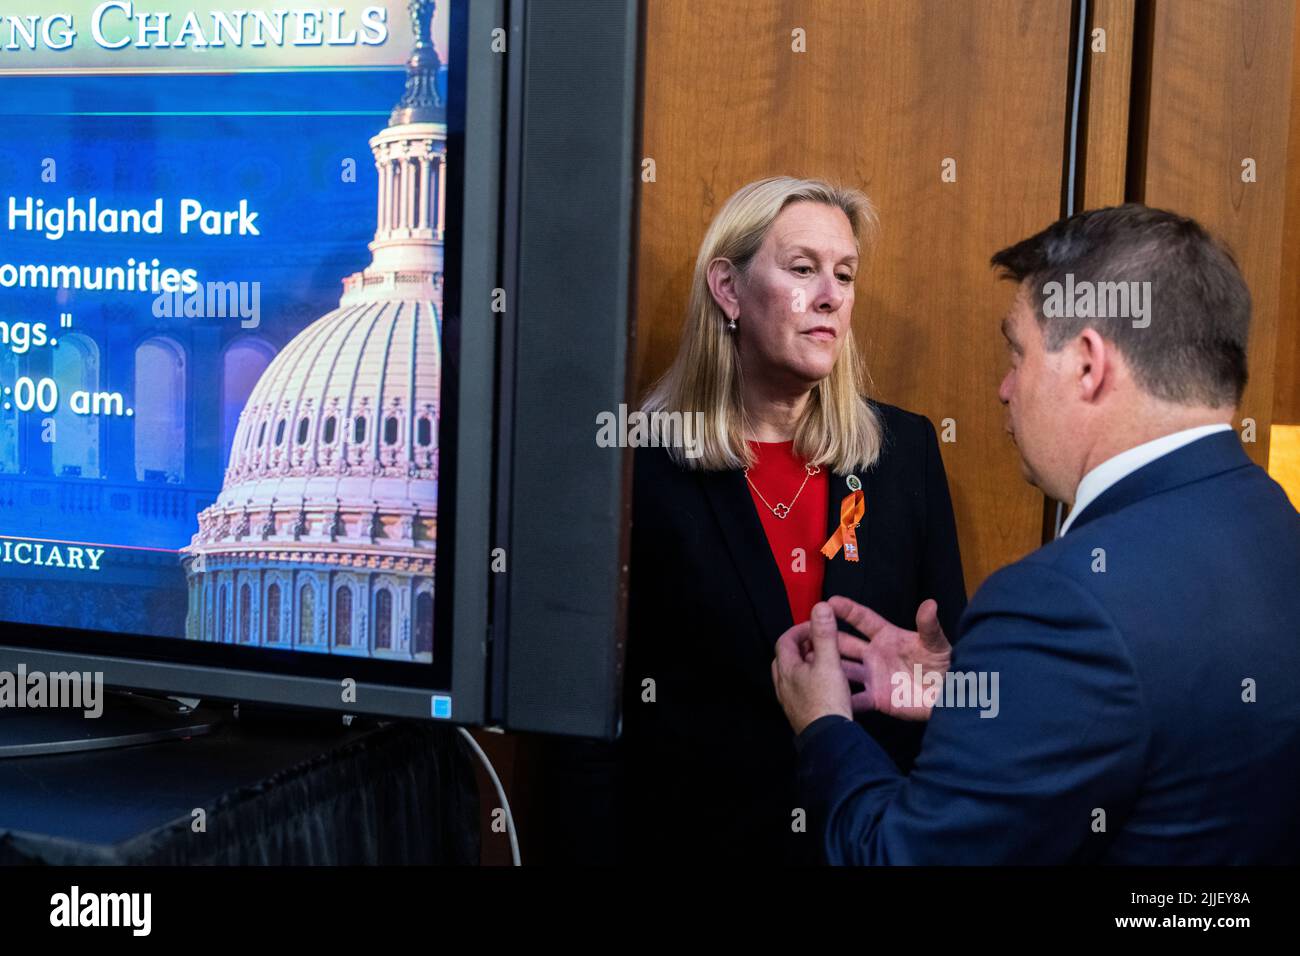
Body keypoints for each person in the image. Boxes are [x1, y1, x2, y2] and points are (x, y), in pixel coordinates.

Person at [773, 204, 1300, 864]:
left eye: (1017, 354)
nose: (1004, 388)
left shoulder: (1061, 604)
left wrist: (824, 726)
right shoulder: (1274, 520)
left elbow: (899, 857)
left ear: (1087, 364)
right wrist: (988, 693)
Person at [620, 176, 966, 864]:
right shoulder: (642, 465)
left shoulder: (907, 452)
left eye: (844, 275)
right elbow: (597, 722)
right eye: (803, 269)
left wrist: (950, 687)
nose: (832, 297)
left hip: (865, 839)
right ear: (728, 289)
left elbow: (946, 658)